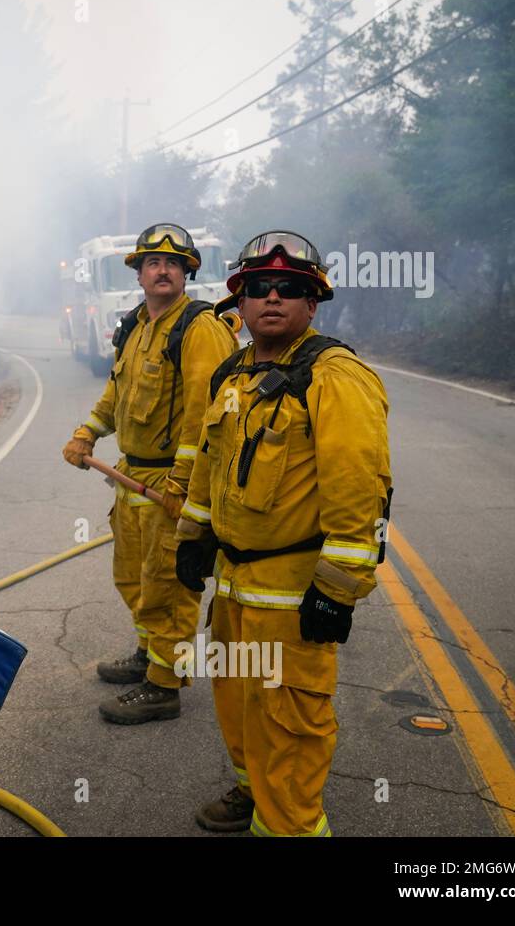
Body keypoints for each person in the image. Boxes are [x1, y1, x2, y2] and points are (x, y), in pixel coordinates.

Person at [175, 230, 392, 836]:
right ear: (239, 304)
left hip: (293, 593)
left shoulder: (334, 375)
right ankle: (250, 790)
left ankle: (290, 826)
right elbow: (207, 463)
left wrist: (339, 585)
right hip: (236, 585)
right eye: (260, 288)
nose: (273, 298)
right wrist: (194, 535)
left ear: (312, 303)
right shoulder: (231, 374)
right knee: (238, 701)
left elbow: (359, 487)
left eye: (290, 289)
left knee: (290, 720)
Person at [62, 224, 237, 723]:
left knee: (169, 587)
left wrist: (184, 482)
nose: (163, 270)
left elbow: (206, 414)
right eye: (153, 263)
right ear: (139, 274)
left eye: (173, 264)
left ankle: (164, 686)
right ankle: (148, 656)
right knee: (134, 578)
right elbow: (116, 394)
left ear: (188, 273)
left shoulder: (199, 329)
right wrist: (86, 434)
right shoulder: (136, 327)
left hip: (170, 483)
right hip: (131, 478)